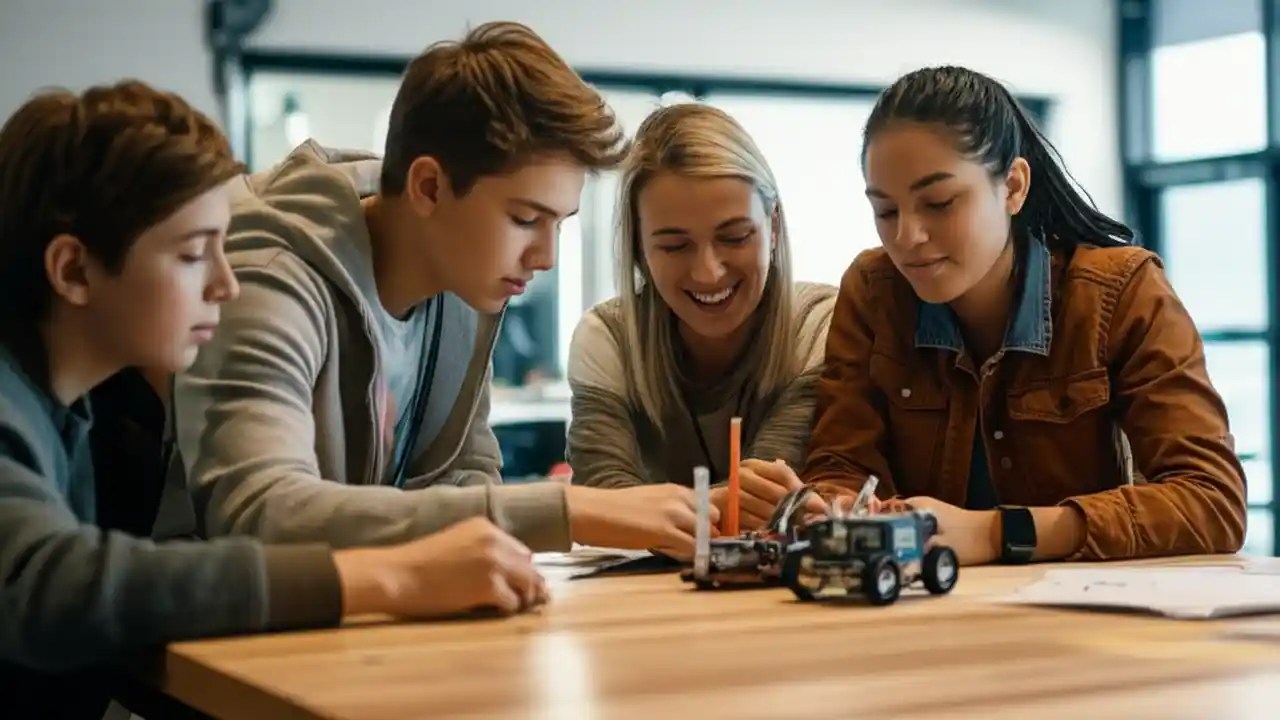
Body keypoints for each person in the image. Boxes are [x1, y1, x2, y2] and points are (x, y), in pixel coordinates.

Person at [0, 81, 549, 720]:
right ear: (72, 271)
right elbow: (46, 585)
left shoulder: (72, 414)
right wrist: (394, 576)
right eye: (190, 254)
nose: (226, 284)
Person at [156, 21, 712, 558]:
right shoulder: (268, 276)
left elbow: (465, 472)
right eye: (524, 219)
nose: (546, 257)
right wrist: (570, 509)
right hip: (208, 638)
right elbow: (261, 513)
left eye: (559, 223)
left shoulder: (464, 285)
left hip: (363, 623)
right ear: (428, 187)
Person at [783, 65, 1245, 564]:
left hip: (1079, 614)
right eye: (886, 211)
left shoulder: (1121, 291)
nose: (907, 238)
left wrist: (996, 532)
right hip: (917, 609)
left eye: (938, 203)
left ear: (1013, 187)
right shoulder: (873, 290)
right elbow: (840, 464)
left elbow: (1213, 501)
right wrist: (838, 504)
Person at [567, 103, 834, 531]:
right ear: (638, 249)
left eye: (734, 237)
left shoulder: (820, 326)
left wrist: (647, 512)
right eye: (674, 246)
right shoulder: (609, 337)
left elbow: (760, 504)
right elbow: (599, 501)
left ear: (774, 228)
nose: (708, 272)